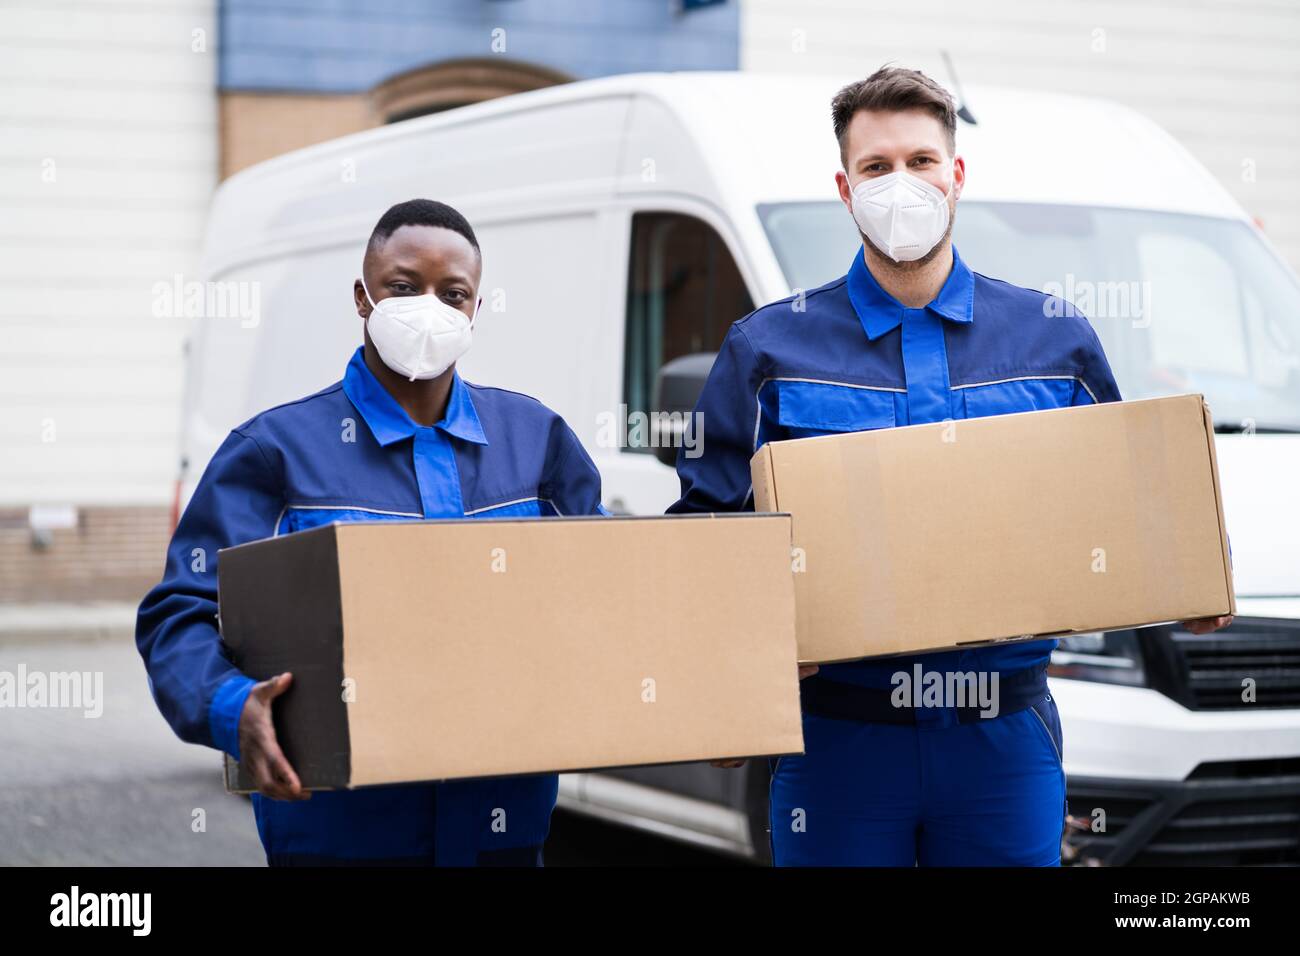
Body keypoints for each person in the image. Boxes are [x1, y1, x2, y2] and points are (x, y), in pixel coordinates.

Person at [669, 67, 1231, 866]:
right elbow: (704, 536)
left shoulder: (1054, 339)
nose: (900, 184)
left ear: (956, 174)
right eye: (876, 167)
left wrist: (1194, 575)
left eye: (921, 161)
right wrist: (729, 683)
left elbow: (1127, 505)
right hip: (837, 741)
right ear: (846, 188)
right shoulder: (768, 349)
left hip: (1002, 741)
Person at [137, 199, 605, 866]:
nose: (428, 309)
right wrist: (232, 707)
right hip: (339, 835)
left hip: (500, 832)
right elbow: (179, 613)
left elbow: (609, 596)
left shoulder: (535, 443)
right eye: (404, 287)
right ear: (363, 297)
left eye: (453, 293)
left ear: (476, 309)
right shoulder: (275, 453)